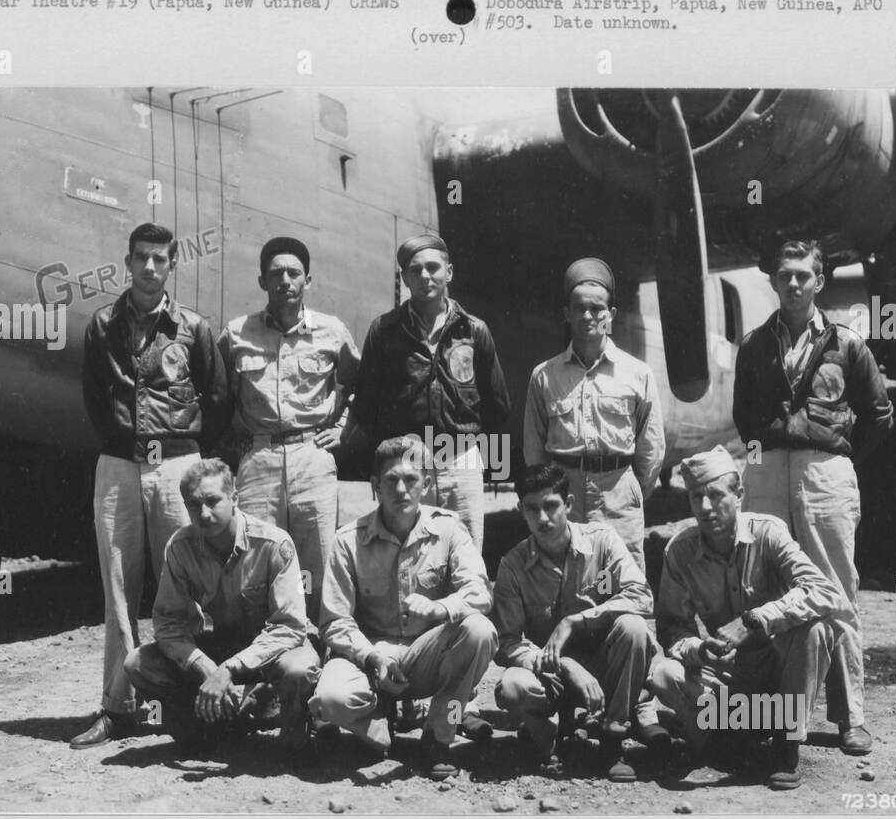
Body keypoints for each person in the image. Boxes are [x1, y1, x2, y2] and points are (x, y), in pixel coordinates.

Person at [732, 238, 893, 756]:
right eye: (785, 275)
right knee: (764, 586)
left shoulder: (847, 344)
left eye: (804, 275)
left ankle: (850, 718)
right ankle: (770, 714)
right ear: (775, 282)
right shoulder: (755, 345)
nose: (794, 283)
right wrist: (770, 461)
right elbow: (742, 417)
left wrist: (838, 458)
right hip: (768, 472)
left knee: (835, 588)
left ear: (820, 282)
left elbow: (879, 415)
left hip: (826, 476)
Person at [72, 223, 228, 749]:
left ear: (172, 264)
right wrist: (123, 442)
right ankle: (117, 708)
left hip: (177, 467)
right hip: (119, 464)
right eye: (141, 258)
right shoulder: (102, 325)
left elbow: (218, 397)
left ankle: (192, 705)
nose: (149, 268)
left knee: (185, 584)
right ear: (127, 261)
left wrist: (187, 454)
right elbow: (95, 397)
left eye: (159, 259)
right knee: (118, 587)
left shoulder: (192, 327)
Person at [648, 447, 845, 790]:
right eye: (697, 497)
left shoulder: (769, 533)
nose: (706, 507)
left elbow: (825, 591)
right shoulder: (679, 552)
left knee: (817, 629)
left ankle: (786, 744)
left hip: (778, 674)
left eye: (715, 495)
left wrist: (754, 619)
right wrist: (699, 649)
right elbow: (670, 626)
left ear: (738, 495)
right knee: (664, 674)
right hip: (728, 676)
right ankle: (722, 741)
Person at [310, 436, 498, 779]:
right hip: (372, 658)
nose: (401, 489)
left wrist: (440, 608)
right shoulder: (348, 541)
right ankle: (381, 725)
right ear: (374, 487)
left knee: (480, 631)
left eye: (410, 480)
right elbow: (335, 621)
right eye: (390, 480)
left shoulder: (448, 528)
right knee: (330, 700)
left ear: (426, 485)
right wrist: (373, 658)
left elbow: (481, 592)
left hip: (426, 657)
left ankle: (440, 736)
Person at [122, 459, 321, 759]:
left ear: (235, 498)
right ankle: (209, 725)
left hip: (275, 650)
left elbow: (290, 627)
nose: (203, 514)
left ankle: (289, 725)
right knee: (138, 663)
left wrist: (229, 669)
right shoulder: (180, 548)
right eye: (193, 505)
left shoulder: (273, 544)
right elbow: (167, 624)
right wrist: (205, 666)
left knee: (299, 668)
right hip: (223, 646)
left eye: (212, 501)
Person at [492, 463, 670, 782]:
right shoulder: (512, 566)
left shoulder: (601, 542)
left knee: (634, 628)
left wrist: (577, 620)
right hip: (552, 674)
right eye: (532, 509)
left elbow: (641, 596)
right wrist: (564, 665)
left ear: (570, 505)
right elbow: (507, 643)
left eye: (551, 506)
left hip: (605, 670)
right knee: (511, 686)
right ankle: (549, 736)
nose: (543, 518)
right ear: (521, 510)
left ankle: (612, 738)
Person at [218, 237, 360, 622]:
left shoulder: (331, 332)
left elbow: (363, 384)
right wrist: (236, 441)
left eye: (293, 273)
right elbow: (217, 391)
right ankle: (259, 655)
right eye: (276, 273)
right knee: (255, 556)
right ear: (262, 281)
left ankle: (317, 643)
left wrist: (343, 428)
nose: (285, 280)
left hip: (312, 454)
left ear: (307, 281)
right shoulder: (236, 334)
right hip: (258, 458)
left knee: (316, 559)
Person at [343, 232, 511, 551]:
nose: (425, 276)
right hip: (408, 461)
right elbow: (367, 402)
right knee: (410, 551)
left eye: (433, 267)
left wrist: (479, 457)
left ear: (448, 272)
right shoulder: (384, 331)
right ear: (405, 278)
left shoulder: (474, 331)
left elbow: (497, 404)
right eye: (415, 270)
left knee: (466, 553)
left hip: (460, 456)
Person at [523, 258, 665, 572]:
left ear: (611, 315)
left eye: (598, 309)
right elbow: (534, 450)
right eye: (579, 308)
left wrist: (629, 492)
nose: (589, 316)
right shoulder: (544, 376)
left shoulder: (637, 373)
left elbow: (651, 448)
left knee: (621, 583)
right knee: (566, 577)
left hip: (618, 495)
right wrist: (550, 496)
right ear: (566, 314)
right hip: (564, 496)